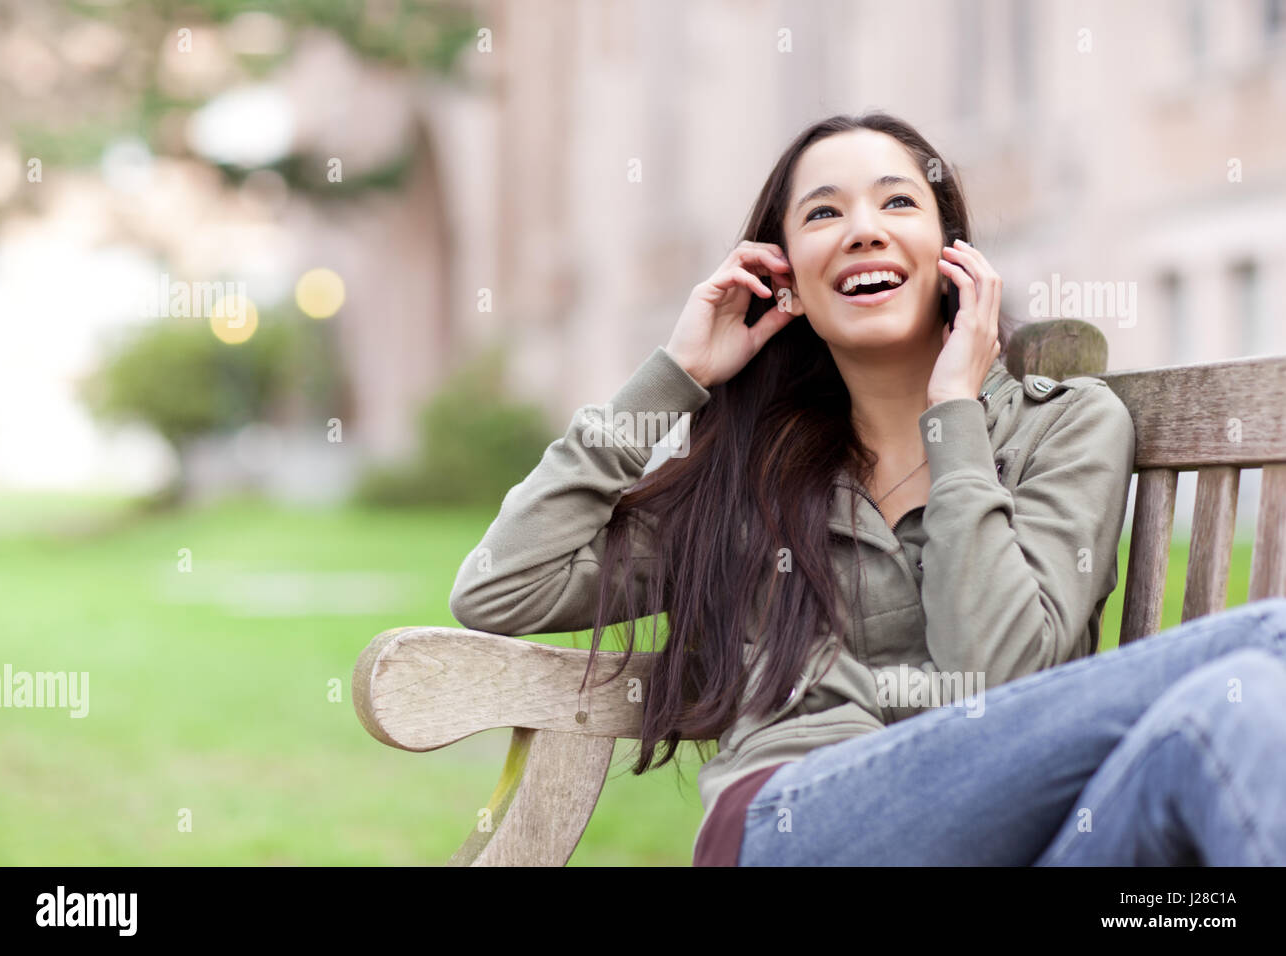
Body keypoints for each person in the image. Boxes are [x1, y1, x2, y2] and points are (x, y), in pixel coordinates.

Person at [448, 111, 1286, 866]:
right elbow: (501, 586)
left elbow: (999, 683)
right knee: (1272, 641)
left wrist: (955, 410)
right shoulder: (745, 473)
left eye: (897, 203)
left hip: (1033, 839)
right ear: (787, 283)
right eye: (822, 214)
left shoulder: (1064, 427)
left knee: (1230, 714)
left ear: (954, 255)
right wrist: (676, 378)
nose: (862, 231)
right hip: (797, 822)